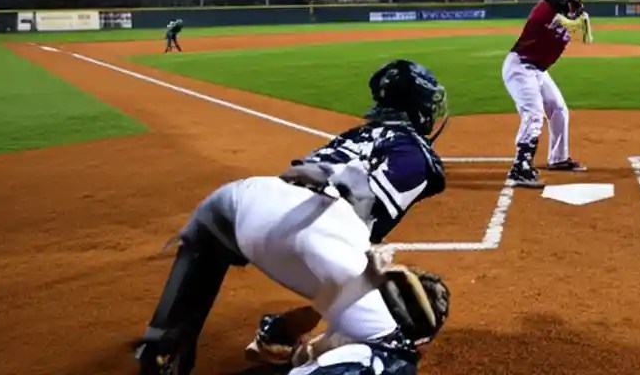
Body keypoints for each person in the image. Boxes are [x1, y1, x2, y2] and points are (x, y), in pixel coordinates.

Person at [134, 60, 453, 375]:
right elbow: (345, 232)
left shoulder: (354, 136)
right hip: (310, 226)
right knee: (393, 352)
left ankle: (164, 348)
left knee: (209, 248)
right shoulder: (415, 156)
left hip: (241, 198)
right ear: (419, 107)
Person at [503, 0, 593, 188]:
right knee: (534, 115)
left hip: (538, 71)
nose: (576, 12)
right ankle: (520, 167)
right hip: (520, 67)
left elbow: (574, 22)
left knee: (558, 109)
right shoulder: (546, 9)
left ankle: (558, 158)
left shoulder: (569, 20)